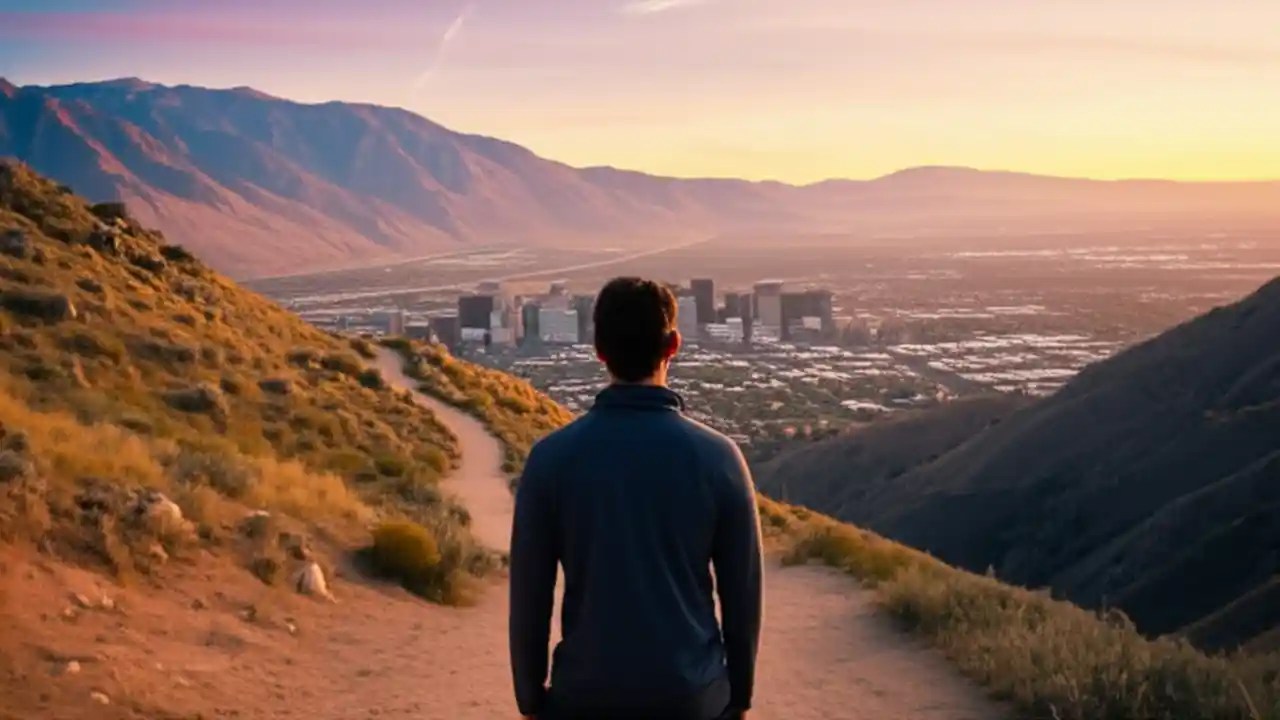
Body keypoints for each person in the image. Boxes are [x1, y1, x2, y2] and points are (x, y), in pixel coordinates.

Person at [509, 277, 765, 720]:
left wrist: (530, 699)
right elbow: (742, 595)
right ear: (673, 345)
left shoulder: (551, 458)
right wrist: (739, 696)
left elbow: (530, 595)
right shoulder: (719, 457)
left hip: (584, 696)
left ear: (599, 349)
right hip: (690, 697)